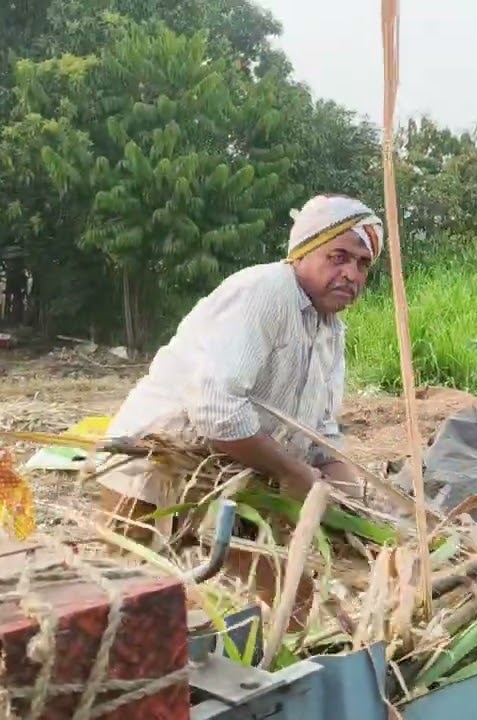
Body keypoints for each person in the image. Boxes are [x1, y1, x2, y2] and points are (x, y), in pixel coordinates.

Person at [96, 194, 381, 620]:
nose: (351, 274)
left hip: (233, 479)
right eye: (338, 256)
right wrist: (289, 471)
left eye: (362, 264)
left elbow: (321, 435)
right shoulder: (266, 293)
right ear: (302, 251)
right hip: (161, 468)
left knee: (294, 607)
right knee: (127, 608)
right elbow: (217, 410)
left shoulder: (330, 330)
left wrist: (368, 512)